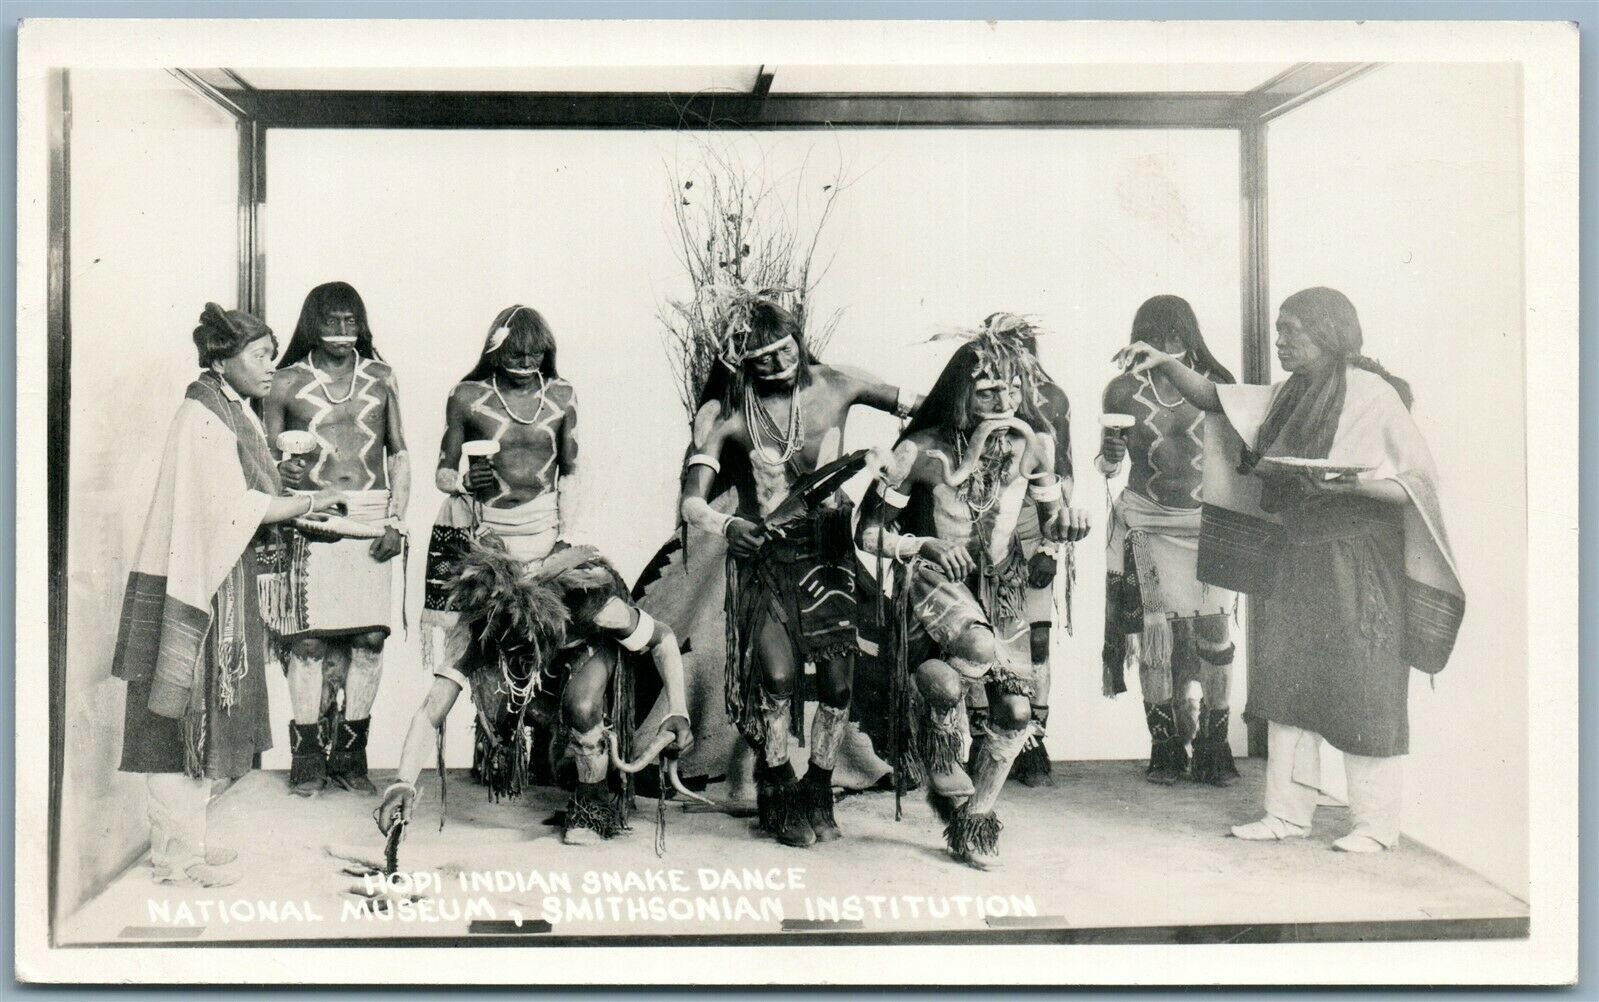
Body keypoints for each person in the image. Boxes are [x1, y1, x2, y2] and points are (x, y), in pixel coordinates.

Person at [1121, 286, 1464, 852]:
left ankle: (1375, 826)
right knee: (1286, 681)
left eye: (1291, 331)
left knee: (1364, 685)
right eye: (1278, 329)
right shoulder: (1288, 393)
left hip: (1360, 562)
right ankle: (1286, 814)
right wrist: (1166, 364)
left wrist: (1355, 483)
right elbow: (1215, 398)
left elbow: (1418, 483)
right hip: (1299, 556)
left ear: (1328, 334)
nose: (1279, 341)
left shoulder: (1374, 393)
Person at [111, 303, 346, 887]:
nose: (272, 368)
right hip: (194, 585)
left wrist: (286, 490)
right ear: (222, 358)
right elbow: (233, 509)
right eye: (261, 356)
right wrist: (309, 503)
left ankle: (183, 844)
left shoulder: (225, 408)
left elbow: (239, 495)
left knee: (200, 716)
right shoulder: (205, 415)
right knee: (178, 717)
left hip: (210, 576)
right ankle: (175, 857)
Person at [678, 295, 916, 848]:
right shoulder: (730, 417)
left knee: (837, 687)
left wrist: (895, 461)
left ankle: (819, 788)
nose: (778, 364)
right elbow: (694, 500)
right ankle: (779, 787)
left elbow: (924, 411)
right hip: (766, 560)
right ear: (743, 364)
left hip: (831, 556)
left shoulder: (839, 382)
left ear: (799, 338)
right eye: (761, 359)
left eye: (784, 349)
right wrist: (727, 526)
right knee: (778, 679)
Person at [857, 322, 1091, 868]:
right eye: (987, 390)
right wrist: (926, 544)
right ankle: (931, 719)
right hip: (934, 582)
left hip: (1002, 586)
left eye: (1013, 389)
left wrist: (1068, 523)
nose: (1004, 402)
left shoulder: (1037, 447)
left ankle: (974, 821)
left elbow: (1051, 521)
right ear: (961, 392)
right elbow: (867, 532)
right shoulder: (920, 450)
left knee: (1014, 711)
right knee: (959, 668)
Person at [381, 539, 693, 845]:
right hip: (543, 650)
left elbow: (661, 637)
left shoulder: (592, 606)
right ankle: (557, 756)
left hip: (588, 643)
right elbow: (432, 708)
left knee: (581, 706)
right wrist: (402, 782)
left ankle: (592, 802)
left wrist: (678, 709)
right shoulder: (478, 630)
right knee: (511, 701)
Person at [419, 306, 593, 813]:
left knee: (553, 638)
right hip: (484, 534)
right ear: (494, 348)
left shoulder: (561, 396)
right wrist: (462, 482)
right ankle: (496, 747)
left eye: (535, 352)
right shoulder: (468, 396)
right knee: (484, 640)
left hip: (543, 531)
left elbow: (572, 471)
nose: (524, 360)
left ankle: (543, 748)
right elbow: (443, 471)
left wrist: (569, 536)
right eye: (514, 351)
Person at [264, 282, 409, 797]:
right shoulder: (284, 383)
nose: (342, 332)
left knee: (370, 636)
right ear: (311, 323)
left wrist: (398, 521)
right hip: (312, 515)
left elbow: (399, 454)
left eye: (352, 322)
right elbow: (265, 462)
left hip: (372, 514)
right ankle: (306, 759)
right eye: (332, 321)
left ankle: (351, 757)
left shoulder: (381, 378)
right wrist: (293, 487)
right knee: (307, 639)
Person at [1097, 296, 1239, 786]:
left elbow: (1238, 454)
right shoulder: (1121, 392)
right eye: (1159, 336)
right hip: (1148, 526)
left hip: (1205, 527)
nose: (1169, 344)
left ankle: (1213, 747)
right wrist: (1110, 456)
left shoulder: (1216, 387)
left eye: (1177, 334)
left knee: (1215, 638)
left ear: (1190, 334)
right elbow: (1109, 468)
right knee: (1154, 643)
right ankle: (1164, 750)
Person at [966, 314, 1076, 787]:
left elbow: (1060, 476)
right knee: (975, 637)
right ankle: (979, 739)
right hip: (972, 532)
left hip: (1030, 529)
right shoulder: (974, 396)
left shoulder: (1048, 400)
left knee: (1034, 638)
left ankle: (1031, 740)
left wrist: (1051, 545)